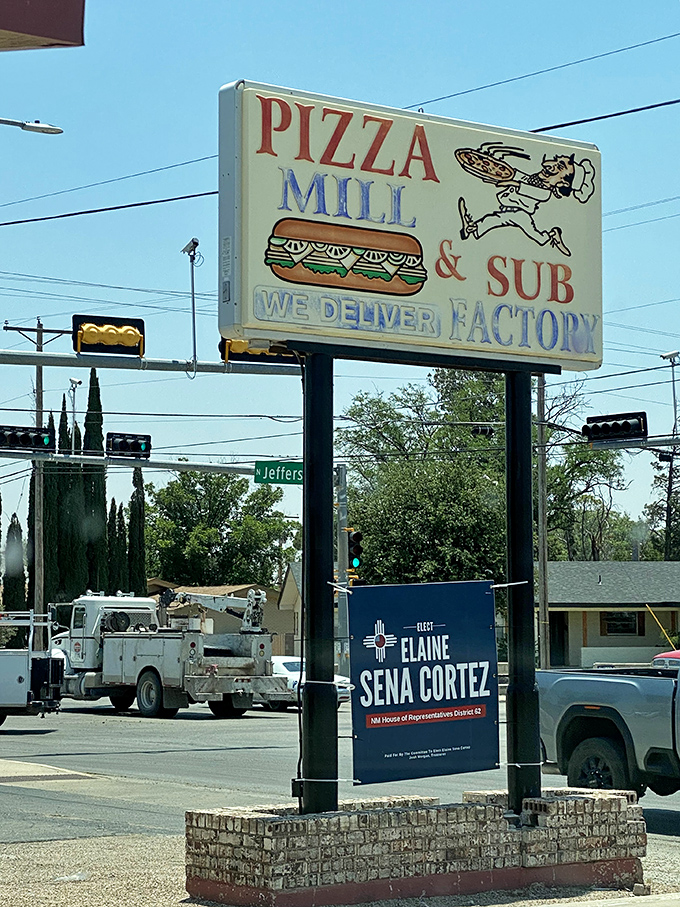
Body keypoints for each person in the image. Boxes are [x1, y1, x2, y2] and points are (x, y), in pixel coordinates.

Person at [457, 153, 596, 257]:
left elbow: (524, 187)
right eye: (555, 160)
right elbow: (518, 175)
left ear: (563, 183)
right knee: (498, 220)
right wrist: (496, 169)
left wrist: (510, 182)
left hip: (520, 213)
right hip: (510, 209)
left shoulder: (545, 193)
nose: (551, 165)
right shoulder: (534, 178)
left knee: (499, 220)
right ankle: (472, 229)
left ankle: (472, 228)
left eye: (559, 167)